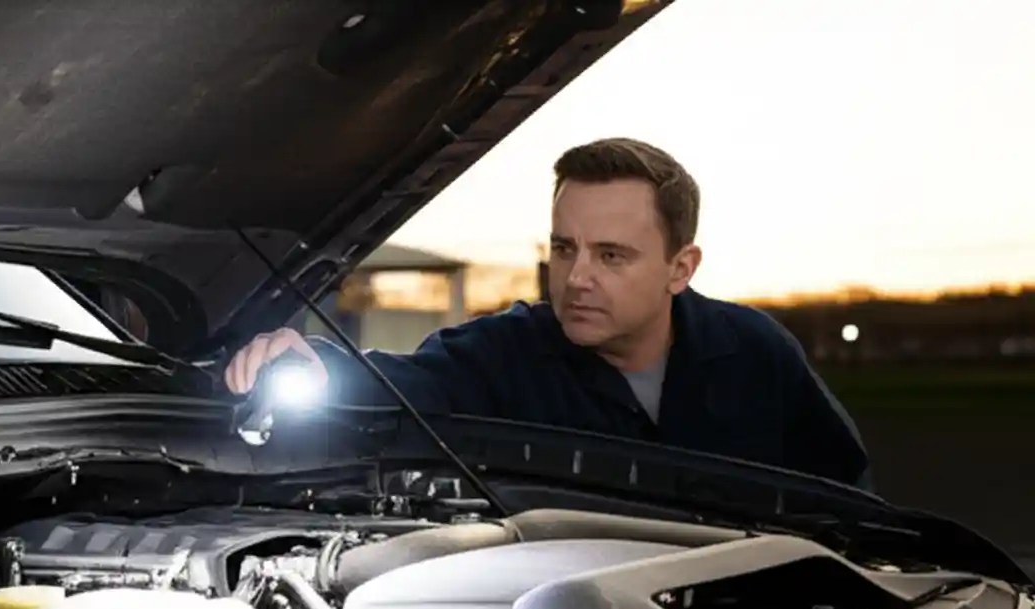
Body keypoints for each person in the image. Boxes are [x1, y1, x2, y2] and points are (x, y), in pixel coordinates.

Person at [224, 138, 871, 489]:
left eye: (612, 255)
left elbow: (849, 498)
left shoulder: (757, 352)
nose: (577, 277)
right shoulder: (505, 353)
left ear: (682, 266)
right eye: (565, 249)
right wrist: (310, 362)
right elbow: (391, 384)